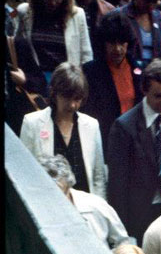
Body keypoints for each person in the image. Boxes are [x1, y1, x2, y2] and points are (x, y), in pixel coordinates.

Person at [106, 59, 161, 245]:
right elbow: (118, 185)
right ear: (144, 90)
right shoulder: (124, 127)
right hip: (142, 212)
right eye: (158, 96)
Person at [20, 62, 106, 198]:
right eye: (67, 97)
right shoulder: (32, 123)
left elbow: (98, 177)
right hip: (48, 205)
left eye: (77, 99)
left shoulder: (92, 125)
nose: (72, 105)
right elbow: (25, 173)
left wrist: (98, 206)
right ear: (54, 93)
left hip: (85, 207)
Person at [14, 0, 92, 97]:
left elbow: (86, 55)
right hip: (34, 82)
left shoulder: (77, 15)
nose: (53, 2)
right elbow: (18, 49)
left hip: (67, 83)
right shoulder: (24, 12)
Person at [38, 153, 133, 248]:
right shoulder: (36, 213)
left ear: (68, 186)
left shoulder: (95, 205)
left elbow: (123, 243)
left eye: (59, 192)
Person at [82, 11, 142, 159]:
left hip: (134, 144)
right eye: (112, 43)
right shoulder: (90, 72)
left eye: (122, 42)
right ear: (103, 43)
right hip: (103, 144)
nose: (117, 49)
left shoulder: (139, 71)